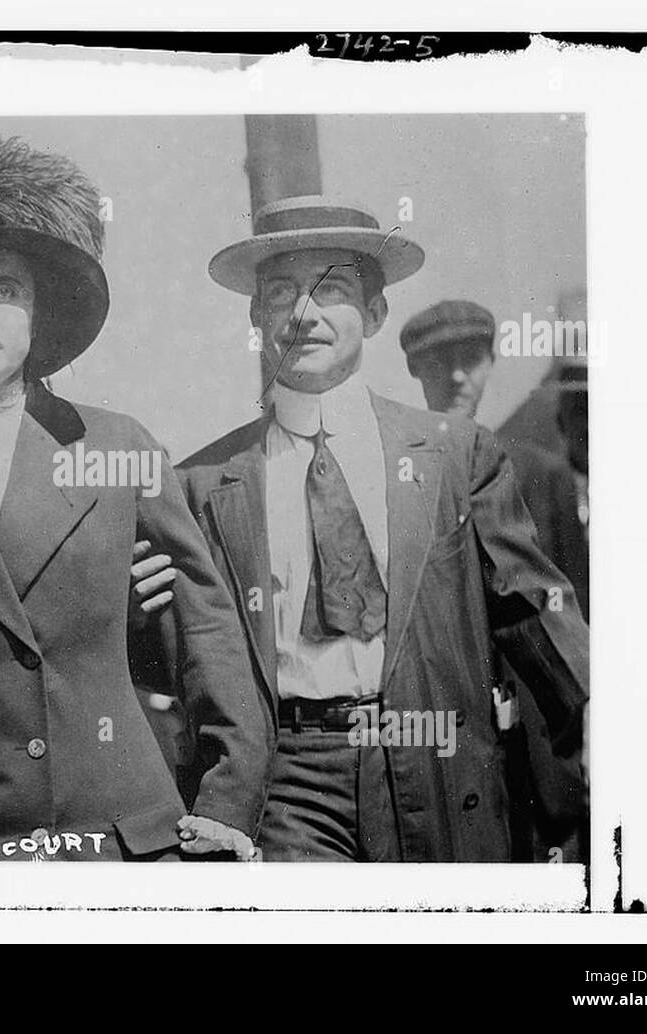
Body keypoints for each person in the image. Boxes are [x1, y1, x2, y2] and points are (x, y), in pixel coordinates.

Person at [0, 136, 271, 861]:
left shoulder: (117, 445)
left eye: (6, 291)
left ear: (37, 317)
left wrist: (227, 800)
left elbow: (208, 631)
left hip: (118, 833)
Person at [138, 196, 589, 861]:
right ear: (257, 316)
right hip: (288, 784)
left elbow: (531, 610)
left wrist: (597, 723)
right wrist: (129, 606)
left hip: (437, 758)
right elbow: (165, 655)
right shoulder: (199, 484)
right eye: (282, 292)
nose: (304, 313)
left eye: (333, 290)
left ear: (375, 314)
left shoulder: (454, 457)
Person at [400, 300, 589, 862]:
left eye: (471, 359)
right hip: (446, 737)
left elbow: (569, 603)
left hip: (537, 739)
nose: (457, 376)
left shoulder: (541, 472)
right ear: (413, 370)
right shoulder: (400, 479)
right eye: (439, 362)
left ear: (492, 361)